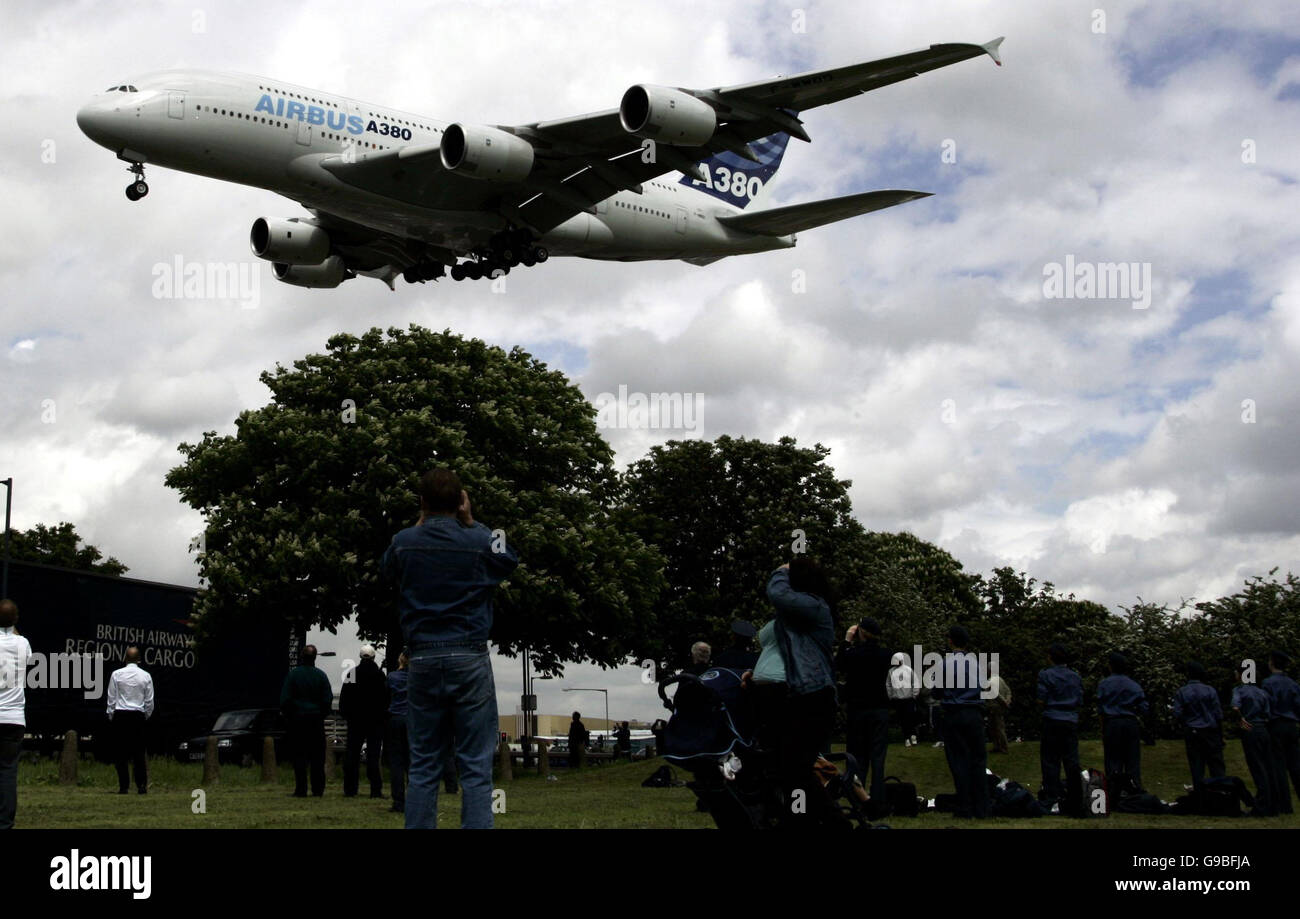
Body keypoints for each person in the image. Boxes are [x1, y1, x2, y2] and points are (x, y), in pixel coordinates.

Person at [382, 467, 518, 829]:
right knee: (474, 765)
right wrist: (472, 523)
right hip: (469, 654)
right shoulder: (477, 541)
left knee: (424, 763)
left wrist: (418, 525)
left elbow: (387, 571)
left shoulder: (403, 541)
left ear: (423, 502)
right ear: (461, 501)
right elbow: (508, 560)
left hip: (422, 657)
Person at [764, 557, 837, 829]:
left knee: (795, 768)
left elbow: (777, 594)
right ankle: (802, 820)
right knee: (791, 769)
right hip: (803, 697)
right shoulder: (802, 613)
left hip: (815, 697)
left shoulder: (815, 607)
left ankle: (832, 822)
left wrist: (781, 570)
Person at [834, 617, 892, 801]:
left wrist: (847, 640)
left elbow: (838, 665)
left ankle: (858, 798)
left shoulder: (853, 654)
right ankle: (878, 798)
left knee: (858, 757)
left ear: (862, 632)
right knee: (878, 757)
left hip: (858, 709)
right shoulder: (886, 654)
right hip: (880, 709)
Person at [940, 625, 989, 819]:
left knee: (959, 761)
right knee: (978, 760)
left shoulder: (946, 663)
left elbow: (937, 690)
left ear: (951, 641)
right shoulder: (977, 663)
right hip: (975, 713)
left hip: (954, 713)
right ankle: (982, 807)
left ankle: (965, 806)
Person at [280, 643, 333, 797]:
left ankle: (301, 788)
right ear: (315, 657)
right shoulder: (321, 676)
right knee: (317, 756)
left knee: (299, 756)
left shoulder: (293, 675)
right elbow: (327, 699)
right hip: (316, 720)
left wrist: (291, 715)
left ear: (302, 657)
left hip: (298, 720)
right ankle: (318, 788)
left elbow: (285, 699)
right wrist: (321, 714)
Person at [1037, 643, 1083, 815]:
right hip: (1070, 719)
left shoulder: (1045, 675)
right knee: (1071, 760)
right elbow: (1079, 700)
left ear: (1051, 657)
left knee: (1050, 760)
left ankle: (1052, 796)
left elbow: (1041, 699)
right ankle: (1075, 796)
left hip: (1052, 718)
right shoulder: (1075, 677)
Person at [340, 644, 389, 798]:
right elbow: (386, 699)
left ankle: (350, 789)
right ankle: (375, 789)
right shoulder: (380, 675)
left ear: (360, 657)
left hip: (356, 720)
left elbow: (345, 698)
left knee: (352, 755)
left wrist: (347, 715)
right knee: (373, 756)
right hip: (375, 721)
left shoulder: (352, 673)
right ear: (374, 657)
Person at [0, 600, 33, 830]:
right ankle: (5, 823)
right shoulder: (23, 644)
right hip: (13, 718)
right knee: (8, 773)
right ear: (16, 620)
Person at [106, 646, 155, 795]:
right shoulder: (146, 676)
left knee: (121, 754)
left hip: (121, 714)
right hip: (137, 715)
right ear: (139, 659)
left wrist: (111, 715)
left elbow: (111, 698)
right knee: (139, 753)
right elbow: (149, 701)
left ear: (125, 658)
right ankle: (141, 785)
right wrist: (145, 715)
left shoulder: (116, 674)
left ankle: (123, 786)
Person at [1097, 651, 1148, 794]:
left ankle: (1114, 792)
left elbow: (1101, 708)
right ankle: (1134, 790)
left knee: (1113, 759)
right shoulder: (1134, 685)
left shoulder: (1104, 684)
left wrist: (1103, 728)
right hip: (1130, 722)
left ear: (1111, 666)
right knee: (1132, 759)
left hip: (1112, 722)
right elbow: (1144, 707)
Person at [1172, 661, 1225, 789]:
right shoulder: (1210, 690)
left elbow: (1177, 713)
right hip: (1210, 731)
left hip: (1193, 730)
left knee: (1196, 765)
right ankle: (1221, 793)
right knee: (1216, 764)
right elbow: (1218, 714)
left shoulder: (1182, 692)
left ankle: (1200, 795)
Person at [1231, 664, 1275, 817]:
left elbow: (1235, 707)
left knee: (1256, 767)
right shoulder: (1262, 692)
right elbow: (1268, 713)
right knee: (1267, 765)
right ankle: (1270, 802)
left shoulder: (1239, 690)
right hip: (1263, 728)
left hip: (1250, 729)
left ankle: (1262, 806)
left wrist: (1241, 719)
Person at [1262, 650, 1300, 814]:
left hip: (1276, 724)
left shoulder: (1267, 683)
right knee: (1295, 765)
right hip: (1291, 724)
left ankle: (1285, 804)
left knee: (1278, 766)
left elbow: (1267, 706)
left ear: (1271, 663)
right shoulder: (1293, 684)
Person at [386, 651, 410, 814]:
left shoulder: (392, 677)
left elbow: (385, 698)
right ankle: (417, 800)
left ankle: (398, 802)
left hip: (395, 718)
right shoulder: (420, 677)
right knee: (414, 763)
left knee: (396, 763)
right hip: (414, 720)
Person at [886, 651, 920, 747]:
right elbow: (888, 684)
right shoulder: (891, 671)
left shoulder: (908, 670)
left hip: (909, 698)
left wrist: (914, 695)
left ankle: (913, 736)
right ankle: (906, 738)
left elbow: (915, 682)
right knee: (902, 719)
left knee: (910, 717)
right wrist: (891, 695)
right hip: (897, 699)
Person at [987, 672, 1012, 754]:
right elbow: (1008, 690)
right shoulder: (1000, 679)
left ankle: (1003, 747)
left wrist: (1004, 702)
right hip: (999, 707)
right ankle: (997, 746)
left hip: (994, 706)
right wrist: (1008, 700)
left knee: (997, 727)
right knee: (995, 727)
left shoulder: (990, 681)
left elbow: (996, 694)